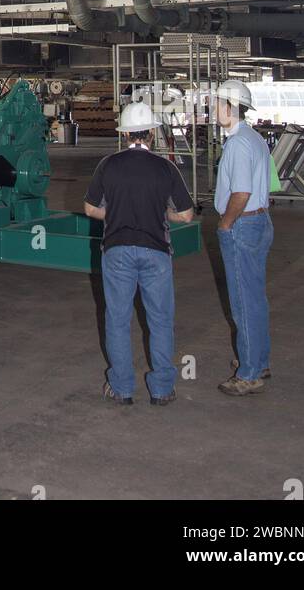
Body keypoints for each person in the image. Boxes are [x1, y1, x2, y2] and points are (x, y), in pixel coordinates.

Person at [84, 101, 195, 406]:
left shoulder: (108, 165)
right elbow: (186, 215)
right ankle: (161, 389)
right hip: (156, 252)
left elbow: (91, 208)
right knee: (160, 320)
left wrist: (115, 213)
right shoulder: (166, 168)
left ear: (125, 135)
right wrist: (163, 214)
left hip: (117, 250)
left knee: (118, 320)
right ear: (151, 134)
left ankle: (121, 388)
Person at [213, 80, 273, 396]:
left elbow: (241, 192)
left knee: (242, 304)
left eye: (217, 103)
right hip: (261, 221)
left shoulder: (237, 144)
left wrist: (226, 223)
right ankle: (259, 360)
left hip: (243, 225)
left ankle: (248, 374)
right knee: (255, 297)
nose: (213, 109)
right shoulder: (254, 137)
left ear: (228, 107)